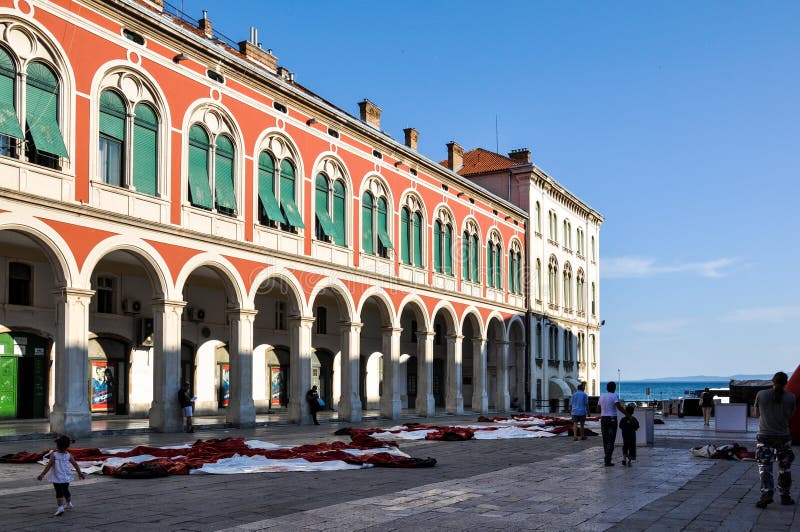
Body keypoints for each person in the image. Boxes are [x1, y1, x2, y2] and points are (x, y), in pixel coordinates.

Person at [754, 371, 796, 509]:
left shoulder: (761, 394)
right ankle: (785, 496)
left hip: (764, 436)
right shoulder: (791, 397)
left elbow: (756, 414)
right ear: (786, 382)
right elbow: (791, 416)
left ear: (772, 381)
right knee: (785, 467)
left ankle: (766, 494)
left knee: (765, 467)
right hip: (783, 437)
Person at [37, 435, 85, 516]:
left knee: (59, 492)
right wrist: (80, 473)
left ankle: (60, 508)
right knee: (66, 490)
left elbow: (49, 465)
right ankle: (69, 503)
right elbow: (75, 464)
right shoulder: (69, 455)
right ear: (67, 446)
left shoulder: (54, 454)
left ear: (57, 445)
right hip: (66, 476)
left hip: (57, 476)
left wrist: (42, 474)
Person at [599, 381, 626, 466]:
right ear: (614, 388)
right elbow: (618, 407)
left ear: (607, 388)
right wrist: (627, 414)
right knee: (611, 439)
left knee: (605, 439)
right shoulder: (614, 396)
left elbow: (597, 409)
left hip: (603, 418)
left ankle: (607, 458)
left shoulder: (602, 396)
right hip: (612, 419)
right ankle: (608, 459)